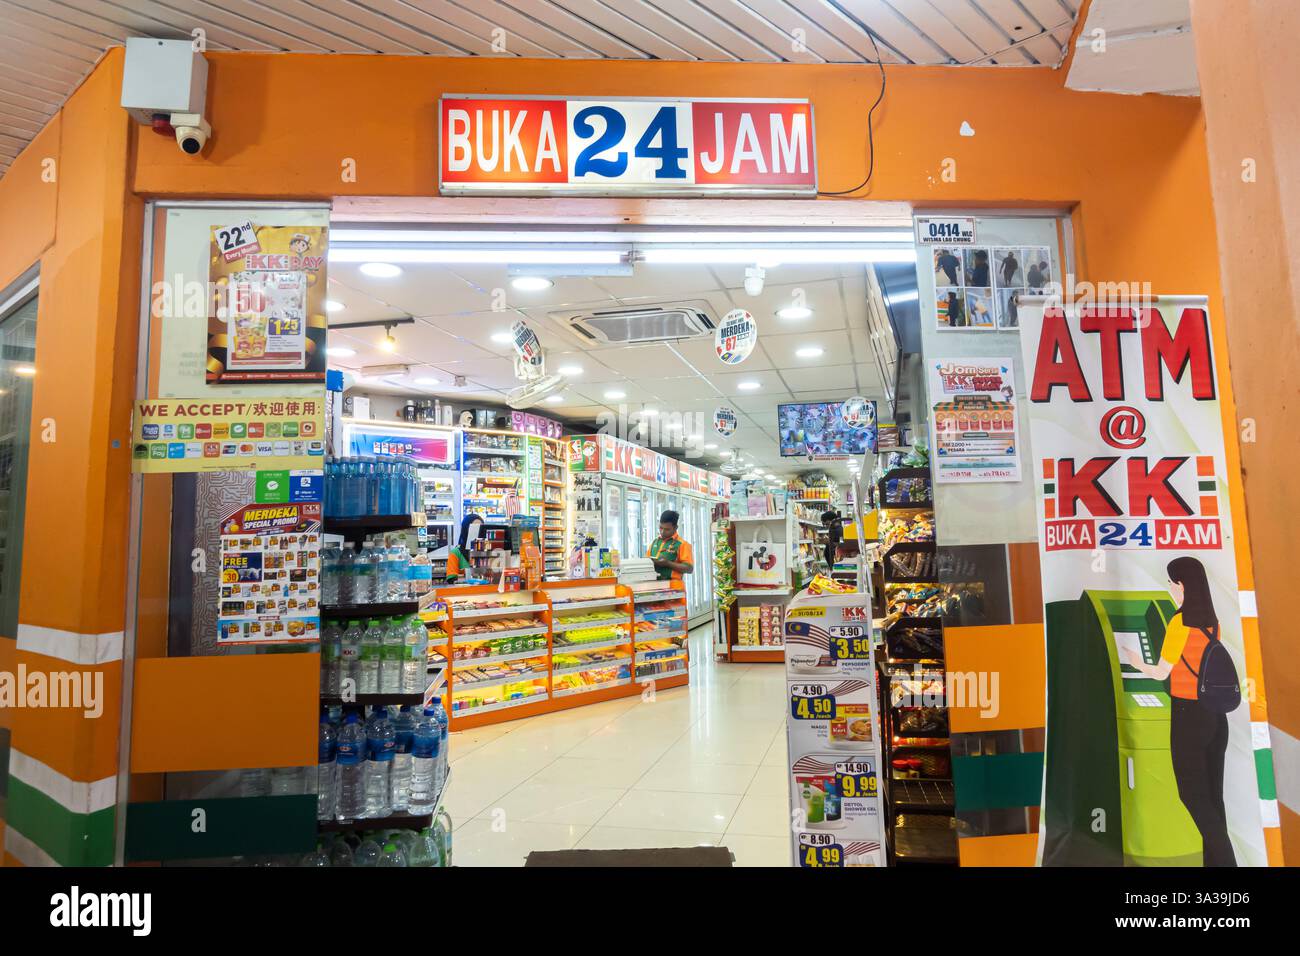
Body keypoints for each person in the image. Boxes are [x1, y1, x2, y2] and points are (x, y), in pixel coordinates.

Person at [1120, 556, 1237, 866]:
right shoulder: (1212, 620)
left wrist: (1133, 660)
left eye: (1171, 582)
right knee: (1212, 797)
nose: (1170, 588)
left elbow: (1161, 673)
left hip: (1188, 715)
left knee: (1192, 795)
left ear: (1182, 584)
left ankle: (1228, 865)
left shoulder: (1178, 622)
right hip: (1215, 716)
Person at [648, 510, 694, 581]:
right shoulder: (655, 542)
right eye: (661, 528)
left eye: (667, 529)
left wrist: (668, 563)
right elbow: (647, 560)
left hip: (673, 586)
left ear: (675, 528)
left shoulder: (682, 544)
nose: (662, 532)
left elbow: (689, 568)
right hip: (654, 585)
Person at [444, 513, 484, 583]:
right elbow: (451, 579)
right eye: (474, 527)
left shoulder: (486, 551)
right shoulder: (456, 553)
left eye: (481, 527)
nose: (478, 531)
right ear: (466, 529)